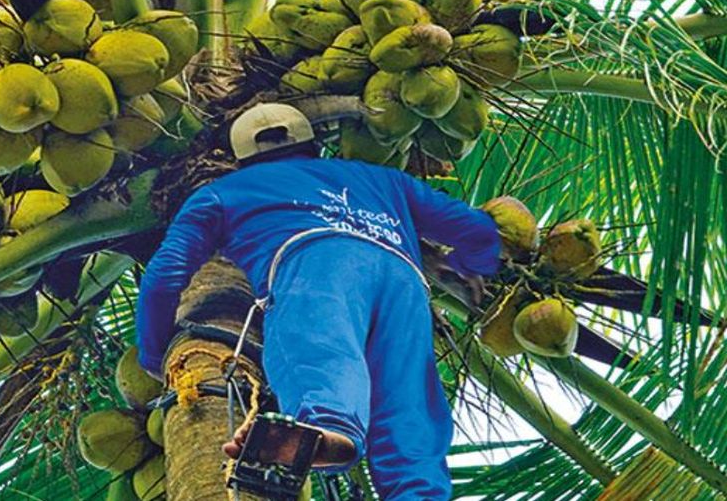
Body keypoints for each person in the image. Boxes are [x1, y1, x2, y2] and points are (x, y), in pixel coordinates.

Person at [135, 103, 502, 500]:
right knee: (407, 398)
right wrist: (469, 265)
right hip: (403, 282)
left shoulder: (223, 192)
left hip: (313, 266)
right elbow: (478, 229)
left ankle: (329, 428)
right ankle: (418, 491)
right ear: (313, 147)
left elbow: (166, 274)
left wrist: (155, 354)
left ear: (240, 159)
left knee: (320, 351)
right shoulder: (383, 180)